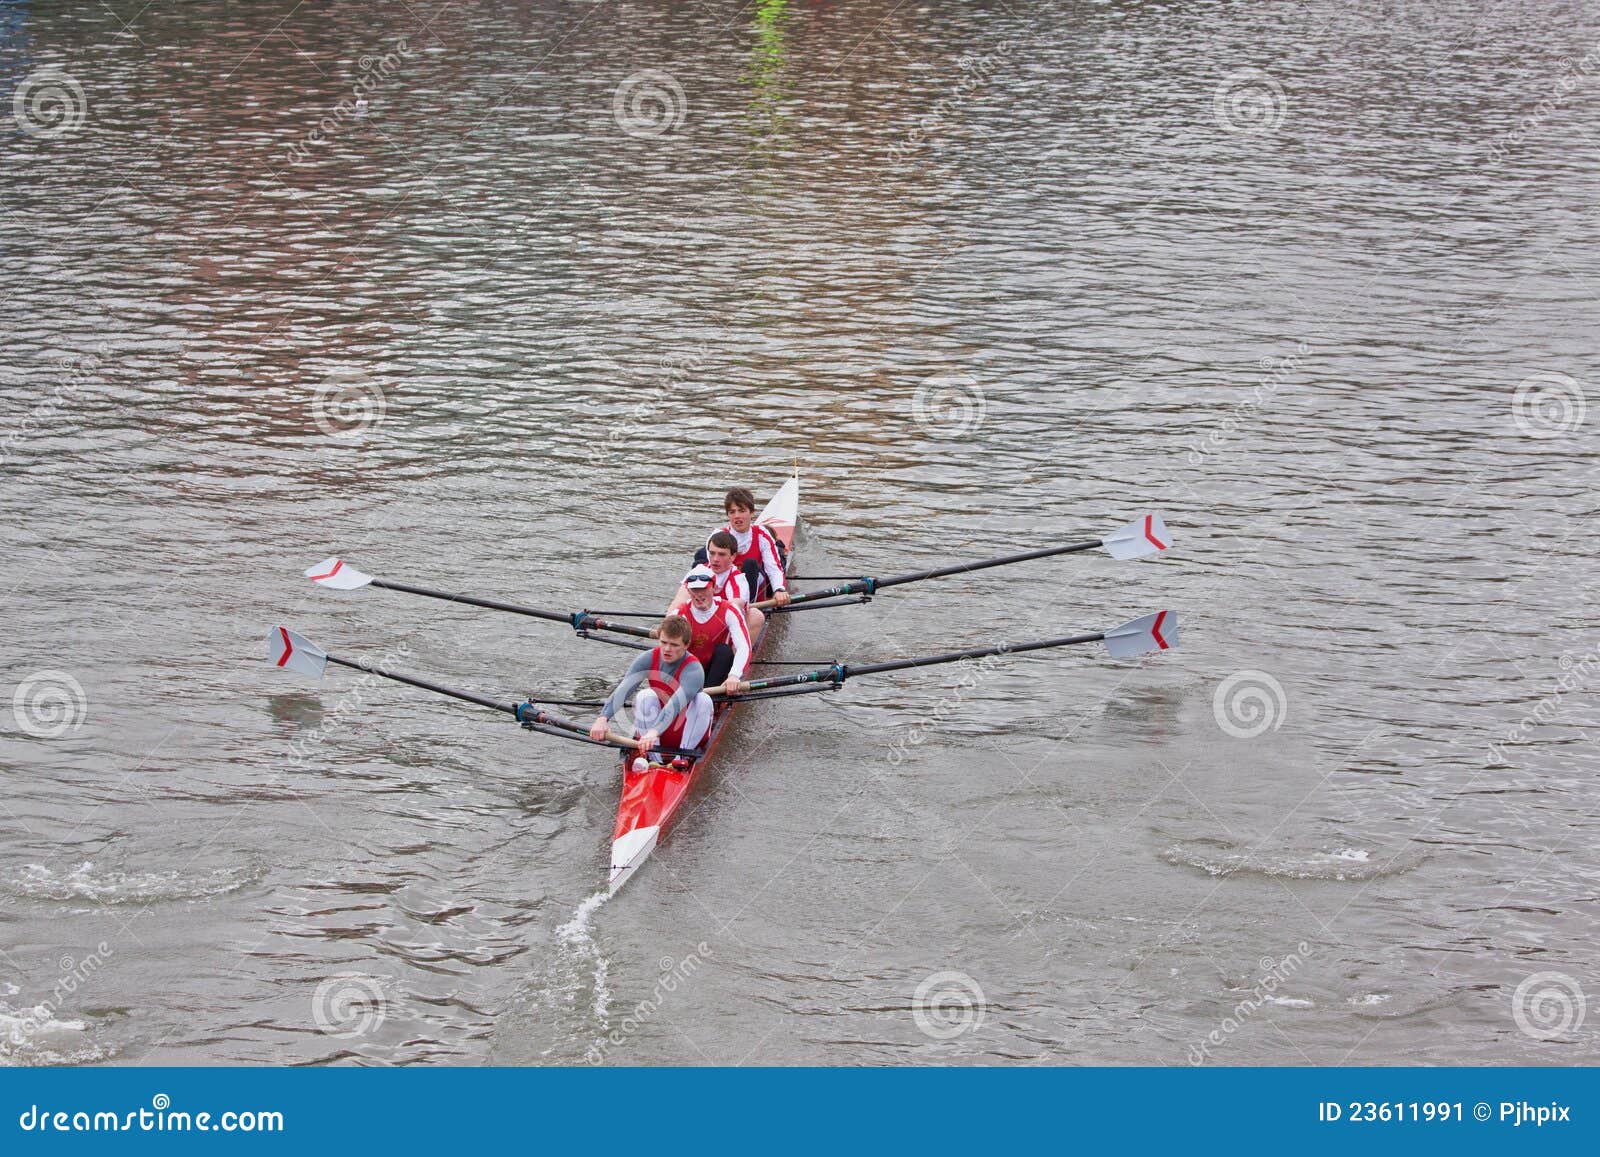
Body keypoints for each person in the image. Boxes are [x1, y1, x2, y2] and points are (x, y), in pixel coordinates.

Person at [589, 615, 711, 766]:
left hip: (686, 732)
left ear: (686, 645)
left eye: (674, 645)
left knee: (704, 700)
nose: (667, 649)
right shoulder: (647, 658)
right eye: (663, 642)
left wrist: (654, 731)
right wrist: (602, 719)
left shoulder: (693, 669)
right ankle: (654, 761)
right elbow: (623, 690)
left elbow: (675, 705)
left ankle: (682, 759)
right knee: (644, 695)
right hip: (654, 736)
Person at [695, 487, 791, 607]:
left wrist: (779, 589)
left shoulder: (762, 534)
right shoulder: (717, 536)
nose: (737, 516)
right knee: (700, 558)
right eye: (732, 512)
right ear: (728, 515)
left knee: (750, 564)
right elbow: (710, 570)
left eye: (741, 511)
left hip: (753, 582)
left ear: (751, 513)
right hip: (724, 586)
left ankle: (748, 607)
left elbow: (773, 567)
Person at [677, 566, 752, 694]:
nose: (699, 594)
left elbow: (744, 647)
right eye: (695, 589)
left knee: (724, 651)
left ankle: (712, 700)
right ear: (689, 592)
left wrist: (734, 675)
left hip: (717, 669)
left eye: (704, 588)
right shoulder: (680, 614)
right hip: (691, 670)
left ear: (714, 589)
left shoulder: (729, 610)